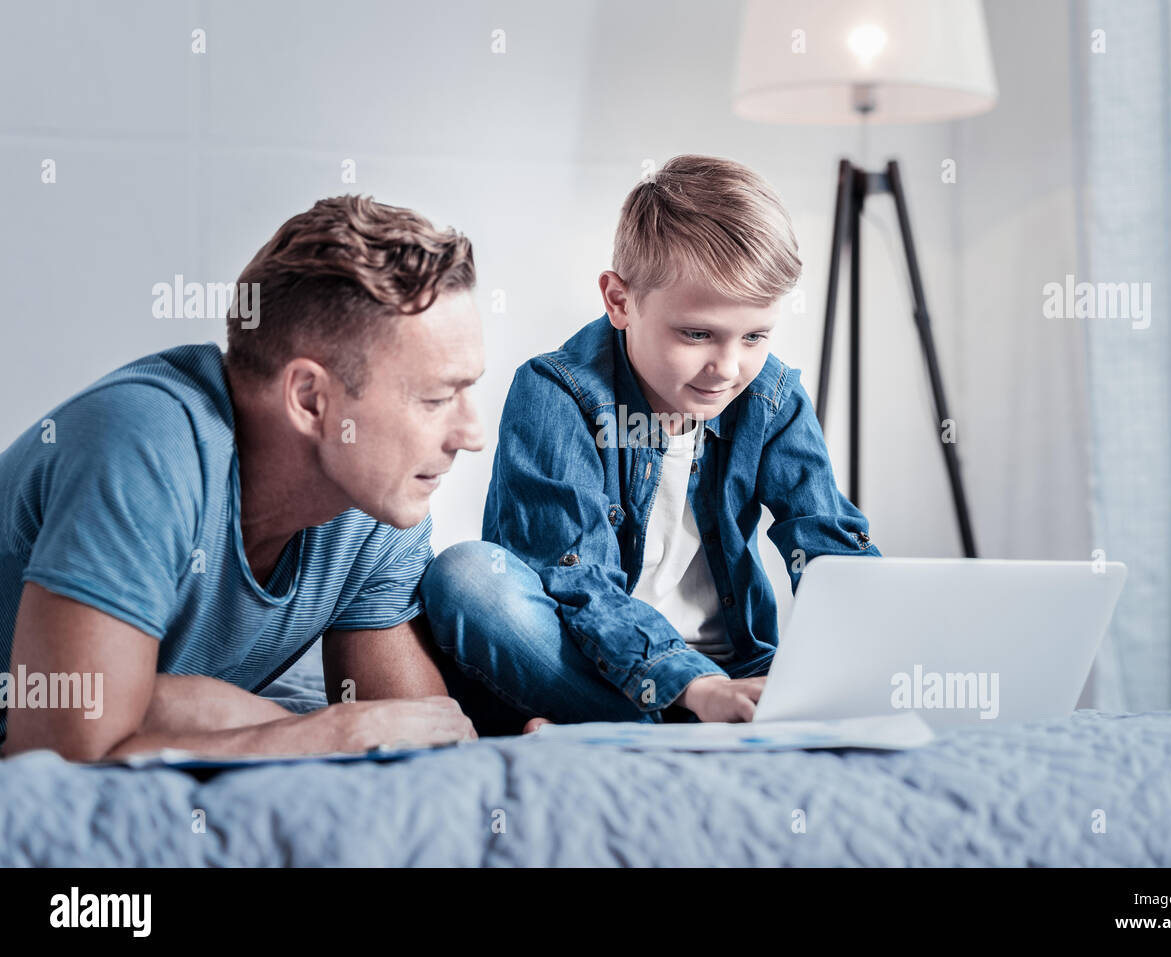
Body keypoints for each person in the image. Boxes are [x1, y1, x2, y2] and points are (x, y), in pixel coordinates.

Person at [0, 196, 489, 762]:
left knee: (195, 708)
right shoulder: (144, 443)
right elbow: (55, 753)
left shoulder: (377, 502)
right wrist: (321, 733)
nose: (471, 434)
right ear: (310, 398)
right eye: (435, 398)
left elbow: (420, 738)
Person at [421, 155, 883, 735]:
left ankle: (628, 729)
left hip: (736, 668)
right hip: (591, 664)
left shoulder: (770, 396)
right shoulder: (556, 393)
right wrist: (694, 687)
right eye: (697, 333)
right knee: (467, 577)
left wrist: (878, 658)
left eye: (754, 336)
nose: (727, 367)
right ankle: (670, 722)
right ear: (619, 301)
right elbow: (574, 578)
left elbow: (825, 542)